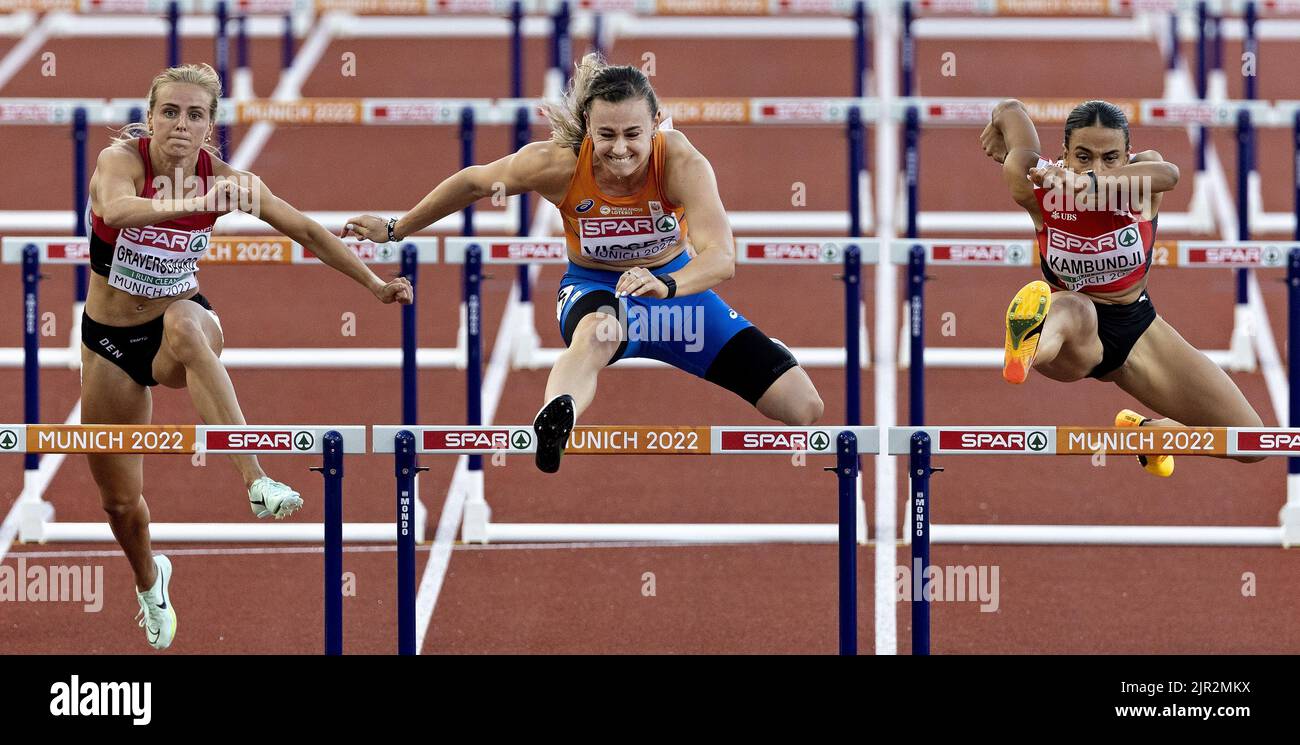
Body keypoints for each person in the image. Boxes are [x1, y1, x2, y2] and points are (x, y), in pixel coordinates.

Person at [345, 53, 823, 473]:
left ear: (657, 124)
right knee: (598, 333)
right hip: (596, 290)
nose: (619, 149)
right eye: (606, 135)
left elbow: (722, 258)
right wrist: (397, 228)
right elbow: (474, 182)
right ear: (587, 131)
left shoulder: (681, 164)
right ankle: (557, 414)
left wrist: (667, 285)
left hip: (677, 297)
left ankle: (761, 348)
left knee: (803, 408)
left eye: (633, 134)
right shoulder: (557, 165)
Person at [86, 63, 413, 649]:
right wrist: (193, 201)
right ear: (151, 116)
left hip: (175, 327)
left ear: (210, 125)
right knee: (118, 503)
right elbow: (115, 211)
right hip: (109, 341)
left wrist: (373, 284)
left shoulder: (232, 180)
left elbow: (308, 232)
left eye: (194, 115)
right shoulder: (123, 163)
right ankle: (149, 579)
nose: (179, 126)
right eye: (169, 112)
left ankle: (255, 479)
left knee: (186, 323)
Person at [981, 98, 1263, 476]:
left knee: (1251, 442)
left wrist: (1087, 182)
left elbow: (1170, 173)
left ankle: (1150, 433)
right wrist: (997, 128)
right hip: (1078, 333)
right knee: (1070, 309)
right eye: (1082, 156)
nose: (1096, 165)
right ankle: (1027, 346)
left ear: (1128, 156)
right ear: (1064, 153)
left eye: (1110, 157)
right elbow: (1012, 111)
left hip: (1140, 329)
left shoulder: (1143, 185)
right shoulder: (1040, 187)